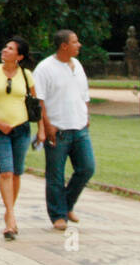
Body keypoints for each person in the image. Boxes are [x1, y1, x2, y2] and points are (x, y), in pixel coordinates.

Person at [0, 36, 41, 240]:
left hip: (21, 129)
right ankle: (11, 217)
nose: (5, 50)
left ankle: (8, 213)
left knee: (16, 174)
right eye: (5, 47)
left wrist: (40, 129)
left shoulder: (26, 75)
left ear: (19, 56)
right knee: (5, 171)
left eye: (10, 48)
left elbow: (36, 105)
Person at [34, 29, 95, 230]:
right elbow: (38, 101)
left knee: (87, 168)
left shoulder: (77, 65)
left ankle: (67, 204)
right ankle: (58, 215)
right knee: (55, 176)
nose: (79, 45)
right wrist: (46, 126)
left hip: (79, 128)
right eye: (75, 42)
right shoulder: (45, 68)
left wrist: (86, 114)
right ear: (64, 46)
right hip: (58, 129)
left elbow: (84, 95)